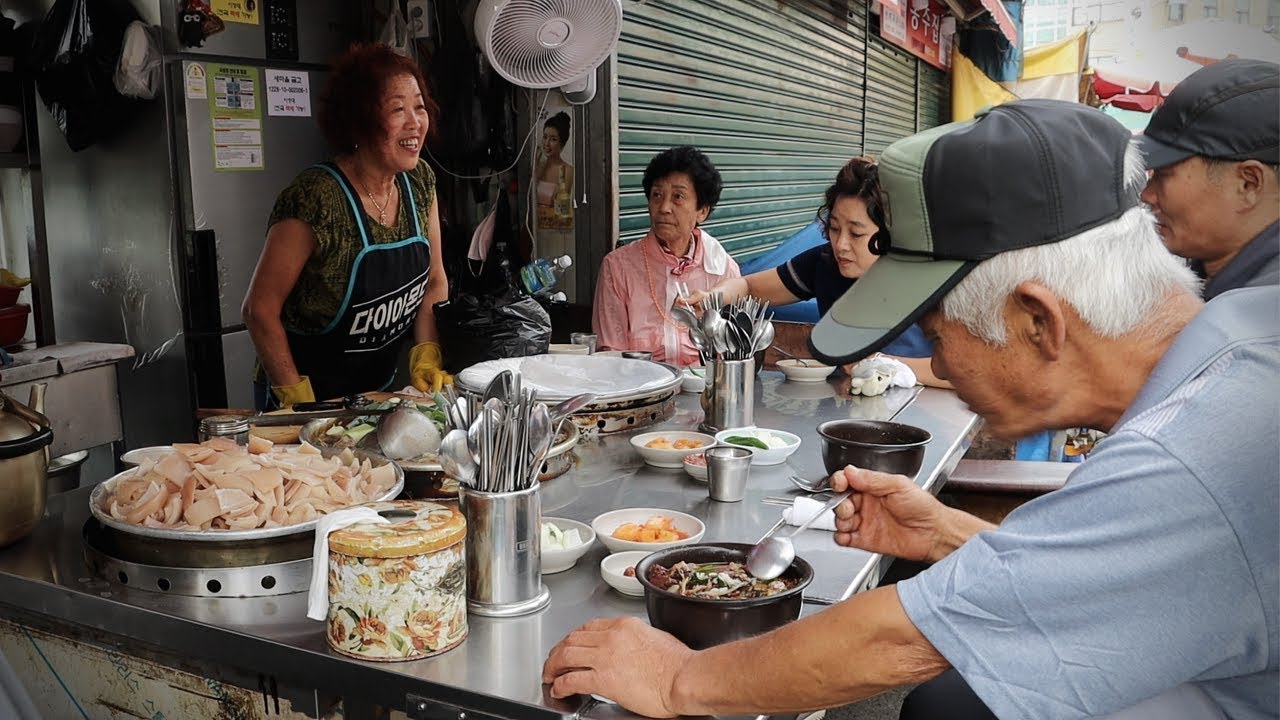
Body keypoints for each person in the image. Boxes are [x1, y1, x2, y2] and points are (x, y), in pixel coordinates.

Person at [543, 100, 1278, 720]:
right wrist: (949, 533)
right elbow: (1107, 573)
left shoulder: (1189, 459)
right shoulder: (1243, 337)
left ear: (1038, 322)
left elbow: (899, 639)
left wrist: (677, 681)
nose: (940, 362)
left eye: (938, 332)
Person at [243, 43, 451, 409]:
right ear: (361, 121)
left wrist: (427, 354)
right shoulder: (316, 198)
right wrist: (297, 401)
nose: (415, 122)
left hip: (377, 395)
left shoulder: (420, 182)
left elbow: (434, 280)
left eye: (419, 106)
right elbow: (259, 308)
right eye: (397, 109)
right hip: (304, 397)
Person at [685, 157, 948, 387]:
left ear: (890, 235)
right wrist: (712, 297)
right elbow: (749, 287)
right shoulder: (825, 263)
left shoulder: (930, 277)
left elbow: (968, 371)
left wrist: (884, 366)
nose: (841, 245)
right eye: (834, 228)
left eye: (856, 233)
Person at [1137, 58, 1278, 300]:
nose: (1146, 195)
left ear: (1248, 184)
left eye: (1163, 174)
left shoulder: (1261, 318)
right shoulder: (1220, 285)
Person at [592, 146, 741, 365]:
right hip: (640, 392)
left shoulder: (724, 270)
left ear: (702, 211)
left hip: (705, 393)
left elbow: (732, 352)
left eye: (678, 197)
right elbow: (611, 355)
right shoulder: (618, 268)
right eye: (657, 195)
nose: (664, 207)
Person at [535, 111, 574, 208]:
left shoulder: (566, 170)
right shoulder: (539, 165)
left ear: (562, 144)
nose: (546, 143)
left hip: (553, 221)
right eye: (545, 137)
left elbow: (562, 209)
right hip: (533, 221)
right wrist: (535, 173)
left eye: (553, 139)